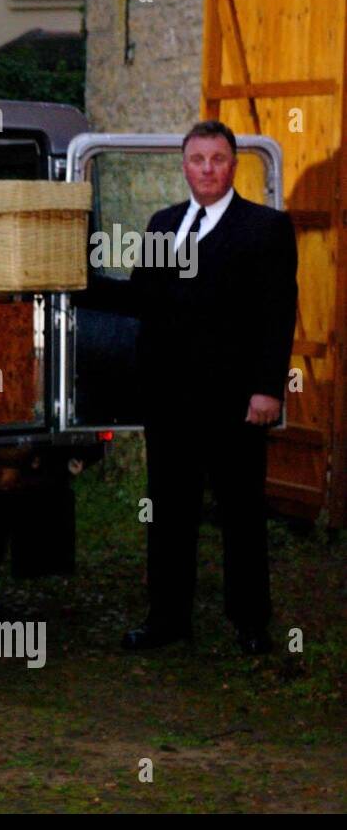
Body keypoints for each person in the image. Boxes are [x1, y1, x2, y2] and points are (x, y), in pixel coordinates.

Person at [122, 119, 298, 655]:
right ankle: (168, 619)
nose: (206, 169)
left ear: (233, 164)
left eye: (217, 159)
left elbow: (277, 315)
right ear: (184, 165)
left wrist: (267, 389)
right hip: (171, 404)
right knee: (169, 513)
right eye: (197, 159)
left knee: (240, 514)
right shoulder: (162, 224)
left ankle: (250, 623)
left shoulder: (264, 228)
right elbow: (142, 304)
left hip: (235, 403)